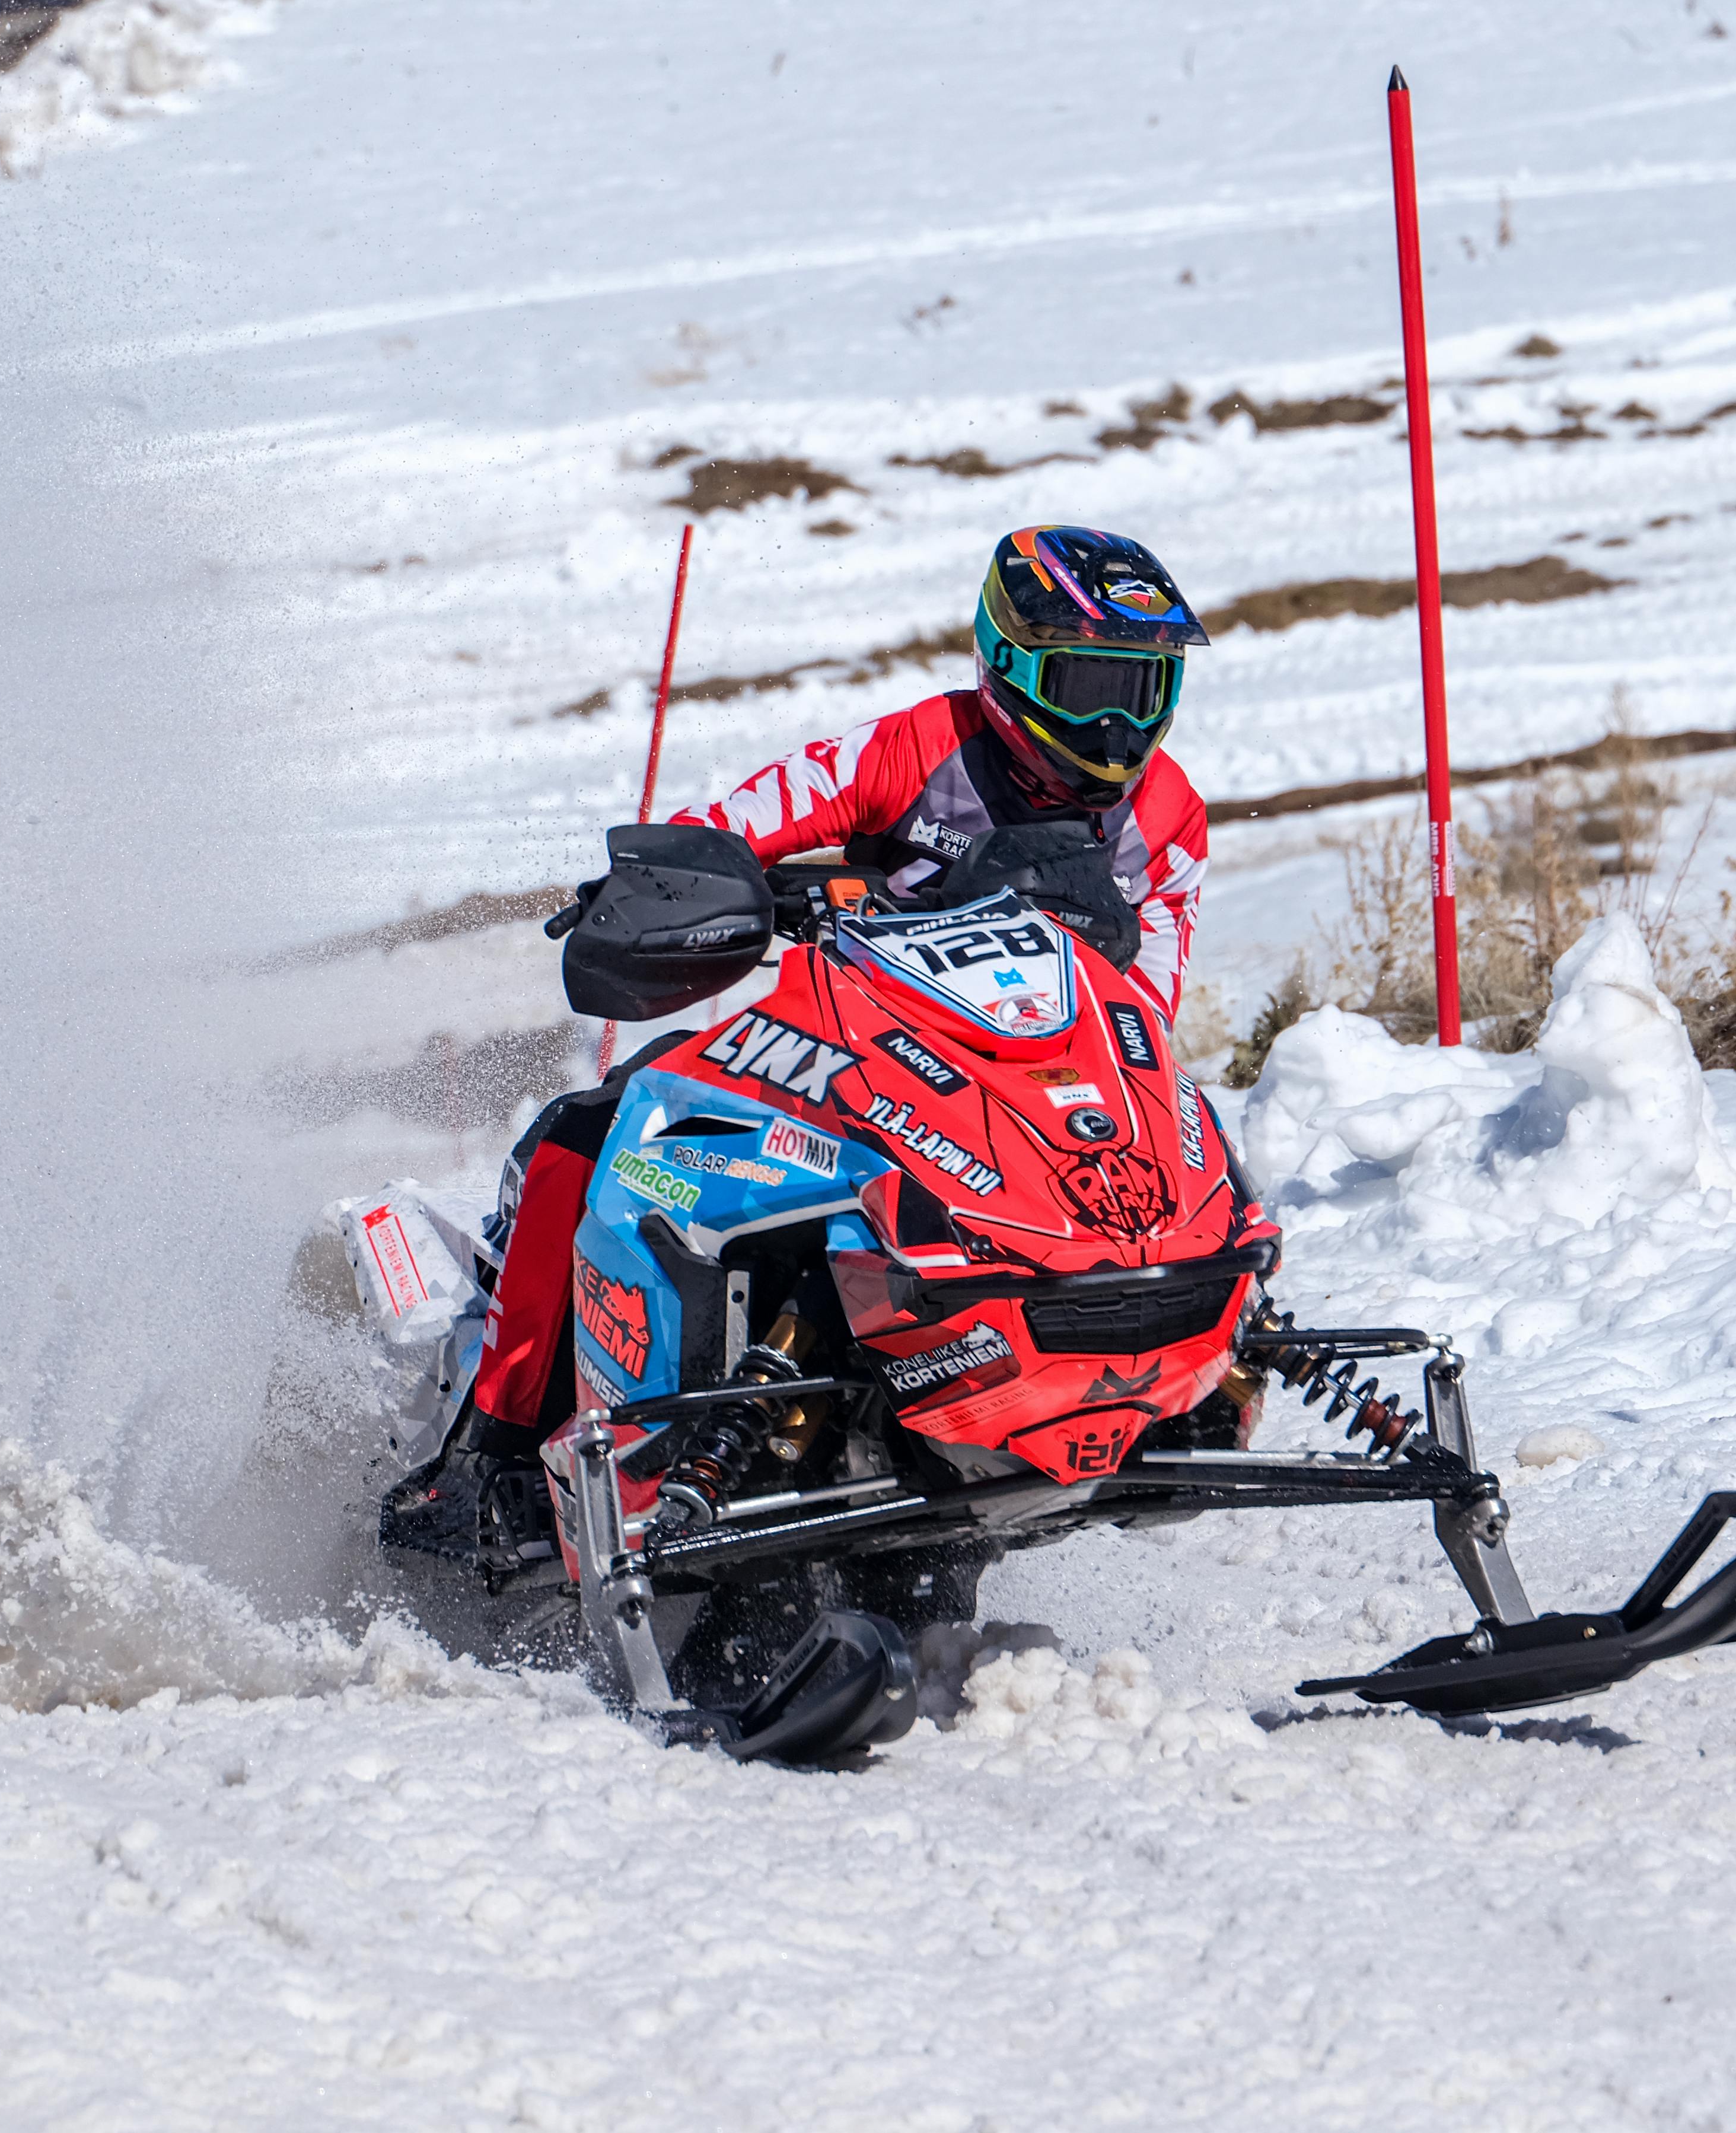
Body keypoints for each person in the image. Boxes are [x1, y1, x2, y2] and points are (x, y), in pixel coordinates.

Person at [405, 525, 1215, 1565]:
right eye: (1092, 680)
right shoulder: (913, 749)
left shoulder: (1169, 815)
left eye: (1142, 688)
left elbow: (1146, 1012)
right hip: (852, 1048)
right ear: (1010, 661)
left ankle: (1192, 1371)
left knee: (1198, 1148)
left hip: (1027, 1091)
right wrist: (669, 887)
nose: (1115, 724)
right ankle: (495, 1451)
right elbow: (743, 820)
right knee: (582, 1130)